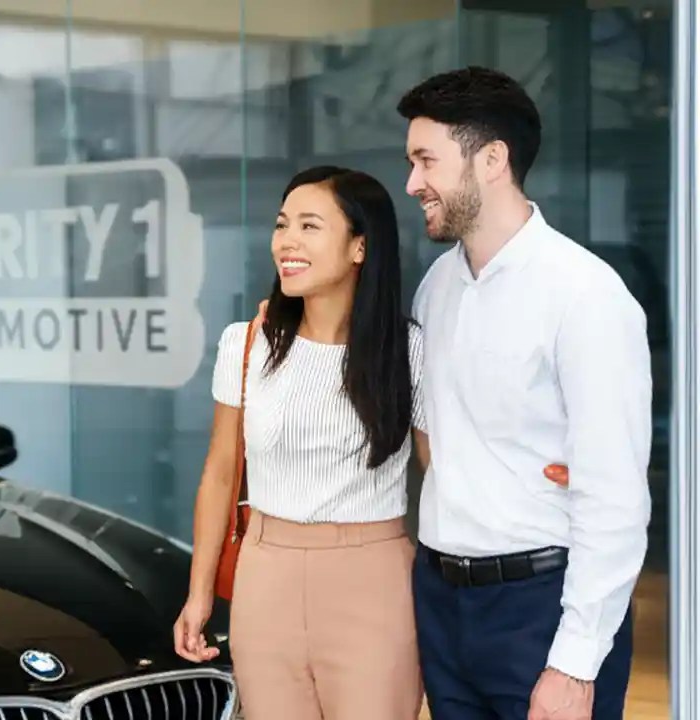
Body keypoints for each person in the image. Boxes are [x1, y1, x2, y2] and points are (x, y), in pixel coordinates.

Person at [398, 66, 652, 720]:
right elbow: (435, 437)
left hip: (540, 607)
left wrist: (574, 661)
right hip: (442, 597)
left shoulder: (585, 295)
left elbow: (615, 496)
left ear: (491, 159)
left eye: (427, 160)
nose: (412, 184)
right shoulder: (436, 287)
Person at [173, 166, 430, 719]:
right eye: (282, 224)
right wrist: (199, 595)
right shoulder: (245, 344)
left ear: (360, 246)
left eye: (310, 226)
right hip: (266, 576)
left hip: (373, 579)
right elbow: (220, 473)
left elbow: (443, 474)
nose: (287, 241)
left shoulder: (409, 351)